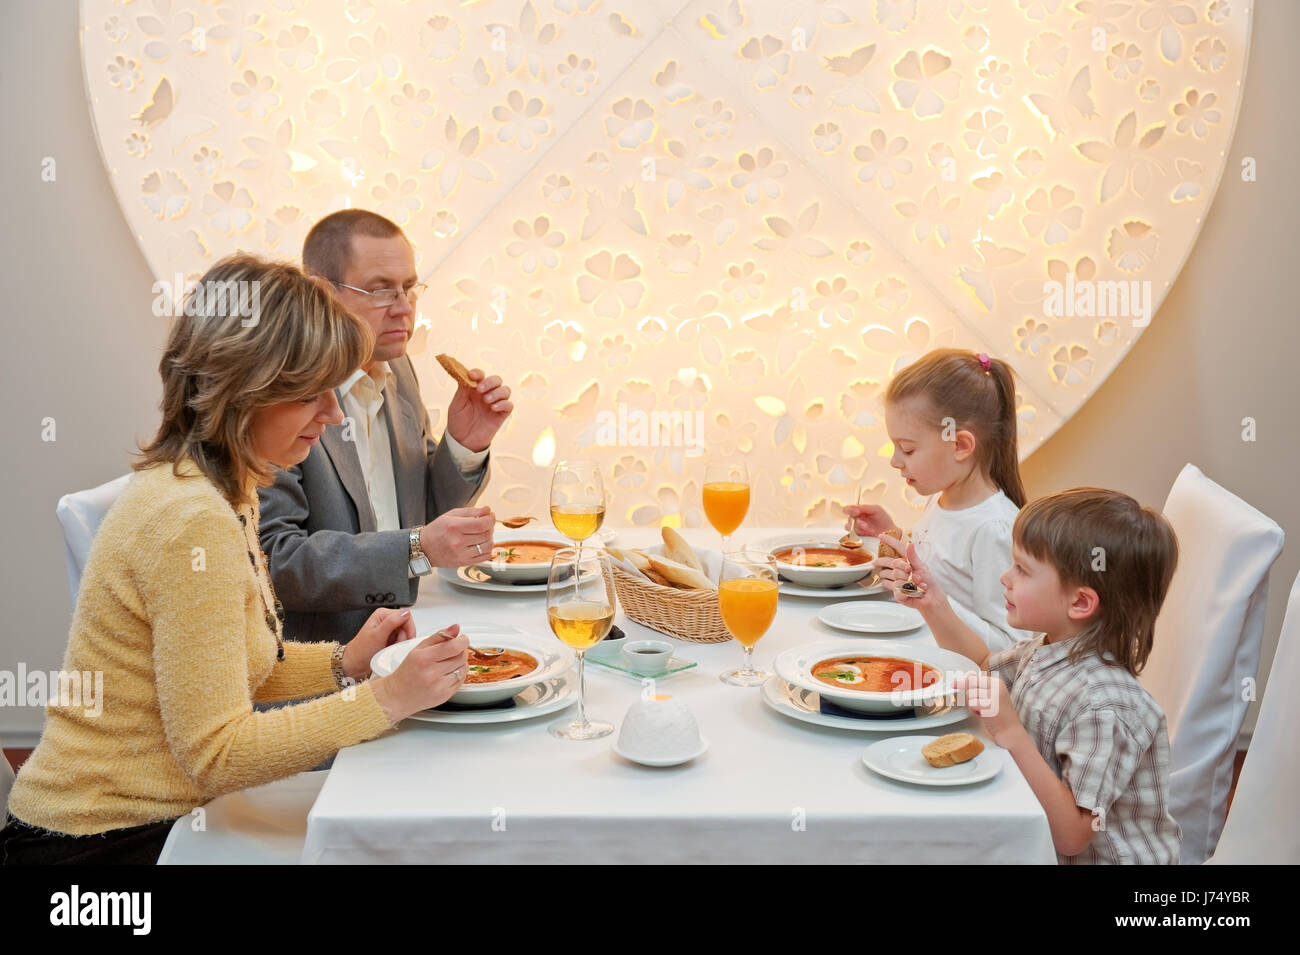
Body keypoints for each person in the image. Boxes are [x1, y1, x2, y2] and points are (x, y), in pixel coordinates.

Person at [1, 255, 471, 864]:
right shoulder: (191, 520)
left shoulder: (224, 488)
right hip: (102, 846)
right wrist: (387, 699)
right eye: (312, 394)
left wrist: (344, 663)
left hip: (164, 819)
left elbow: (223, 668)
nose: (332, 416)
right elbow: (217, 753)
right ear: (243, 388)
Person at [259, 210, 513, 645]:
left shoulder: (397, 366)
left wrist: (465, 444)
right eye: (380, 291)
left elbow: (422, 519)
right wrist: (417, 550)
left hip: (407, 632)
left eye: (410, 289)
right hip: (323, 662)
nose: (404, 309)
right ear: (322, 292)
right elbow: (274, 564)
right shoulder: (279, 391)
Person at [895, 488, 1181, 864]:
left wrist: (1011, 732)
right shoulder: (1049, 647)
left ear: (1080, 602)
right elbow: (982, 665)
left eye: (1023, 570)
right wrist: (933, 604)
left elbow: (1073, 836)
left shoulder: (1104, 706)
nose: (1005, 577)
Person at [845, 348, 1032, 652]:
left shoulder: (994, 529)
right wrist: (894, 535)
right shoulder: (942, 499)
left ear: (959, 444)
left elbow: (1012, 649)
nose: (895, 461)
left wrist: (925, 596)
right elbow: (941, 567)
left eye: (907, 449)